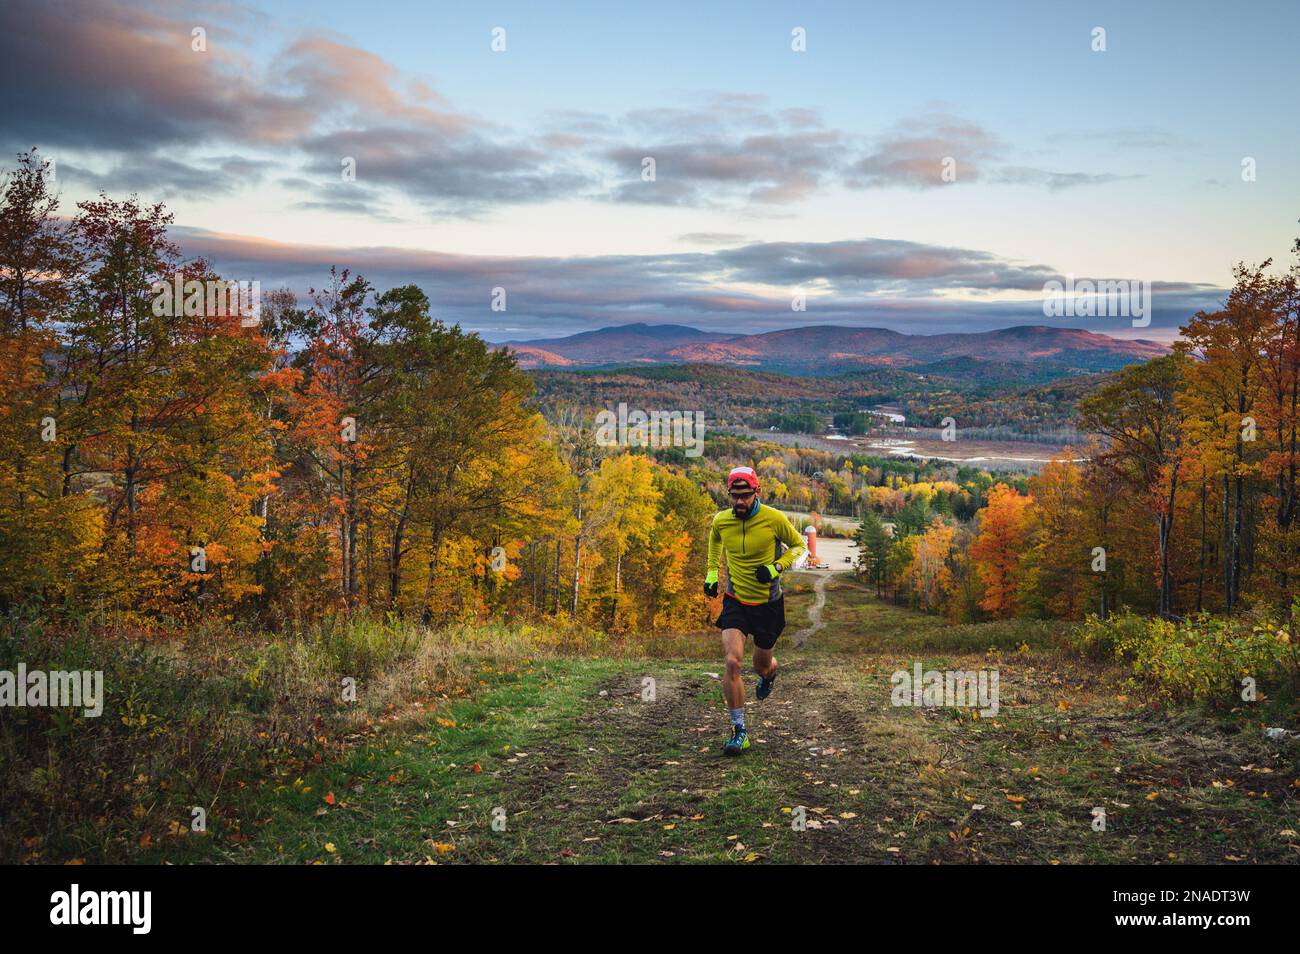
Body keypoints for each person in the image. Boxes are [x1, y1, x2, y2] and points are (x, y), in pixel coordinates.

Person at [704, 466, 807, 755]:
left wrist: (776, 567)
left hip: (768, 605)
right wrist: (712, 572)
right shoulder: (722, 520)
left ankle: (769, 674)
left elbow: (800, 547)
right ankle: (740, 732)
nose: (739, 502)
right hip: (736, 601)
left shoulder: (773, 519)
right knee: (733, 662)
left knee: (761, 665)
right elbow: (715, 539)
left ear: (757, 492)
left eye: (745, 496)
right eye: (734, 496)